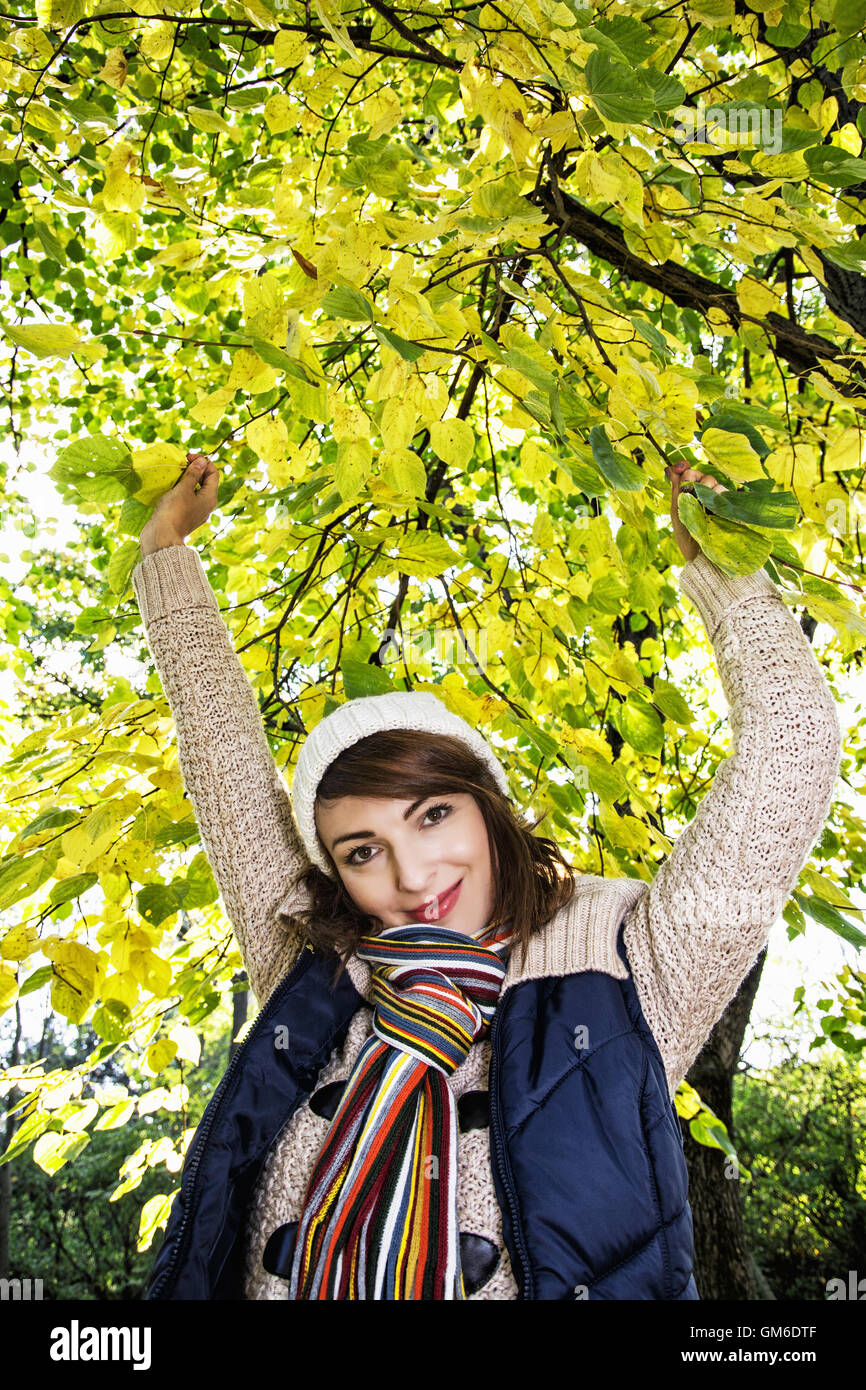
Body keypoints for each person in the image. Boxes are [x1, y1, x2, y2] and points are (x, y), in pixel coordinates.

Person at [131, 450, 843, 1300]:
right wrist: (165, 552)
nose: (413, 872)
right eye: (362, 851)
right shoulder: (314, 970)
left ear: (489, 807)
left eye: (433, 815)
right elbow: (223, 757)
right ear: (337, 874)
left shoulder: (631, 962)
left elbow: (791, 750)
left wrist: (720, 566)